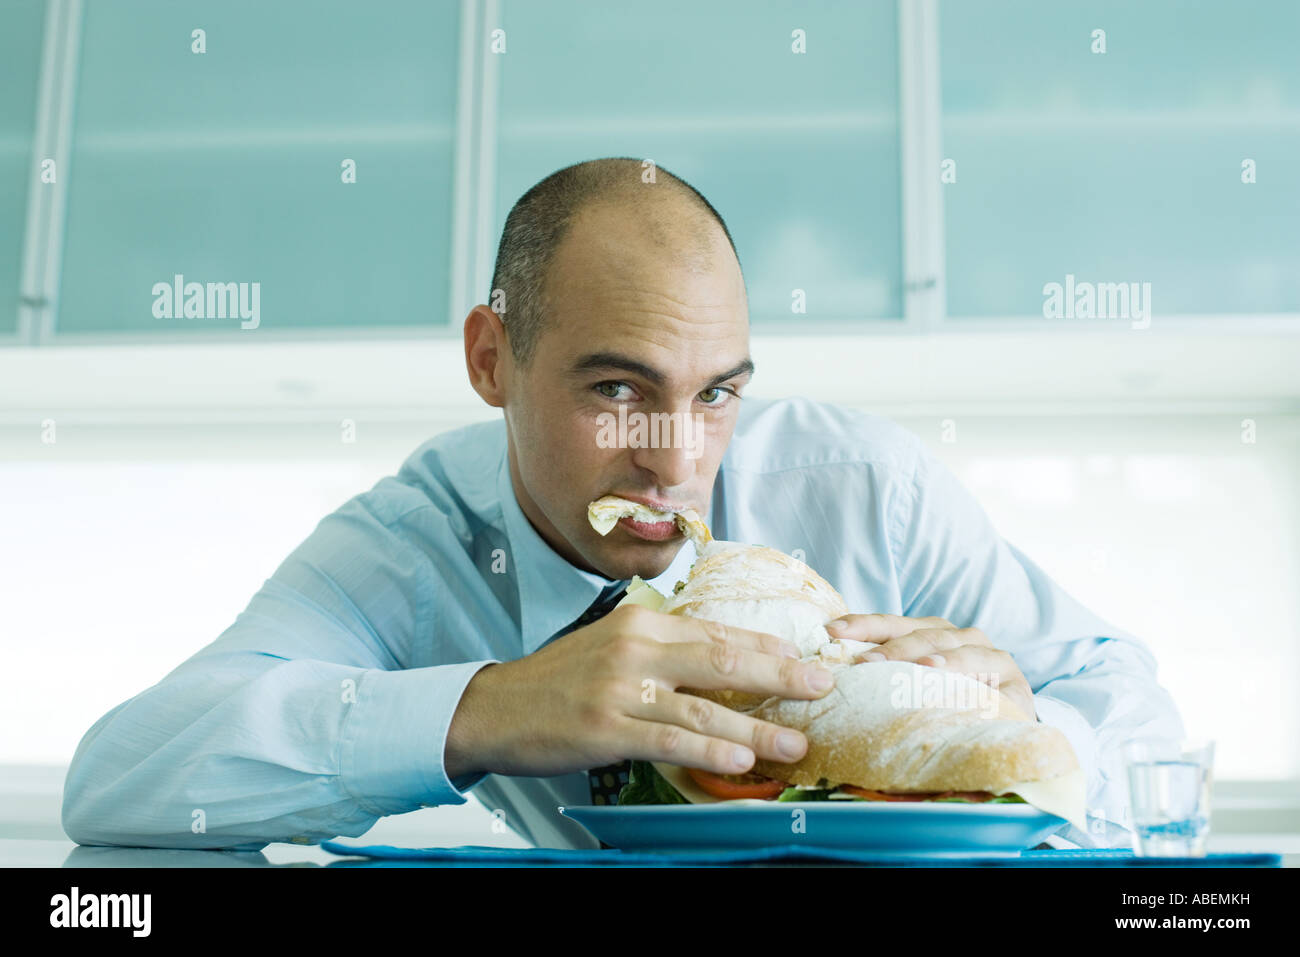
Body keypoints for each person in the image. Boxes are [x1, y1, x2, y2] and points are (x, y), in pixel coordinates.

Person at [62, 157, 1184, 851]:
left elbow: (1138, 724)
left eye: (717, 396)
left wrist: (1020, 730)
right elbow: (127, 778)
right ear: (492, 359)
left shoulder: (864, 492)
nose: (675, 460)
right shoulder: (416, 546)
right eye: (616, 389)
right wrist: (488, 711)